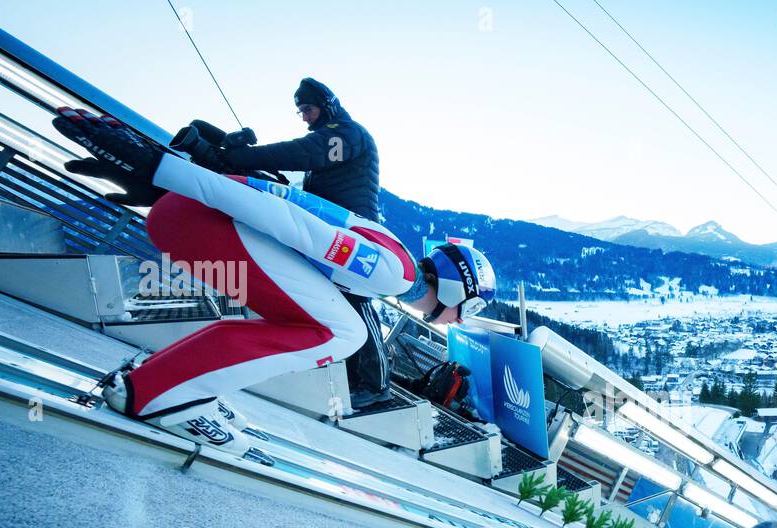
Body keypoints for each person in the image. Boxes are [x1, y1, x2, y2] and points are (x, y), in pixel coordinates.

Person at [52, 109, 494, 457]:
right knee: (344, 333)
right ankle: (157, 394)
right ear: (457, 290)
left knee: (319, 322)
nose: (456, 320)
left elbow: (291, 207)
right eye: (467, 311)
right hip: (200, 221)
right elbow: (291, 224)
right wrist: (163, 171)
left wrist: (172, 183)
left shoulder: (394, 253)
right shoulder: (392, 273)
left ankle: (179, 383)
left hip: (195, 214)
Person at [214, 78, 390, 409]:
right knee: (337, 299)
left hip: (353, 233)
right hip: (331, 230)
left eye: (307, 109)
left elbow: (305, 153)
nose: (304, 117)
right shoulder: (332, 137)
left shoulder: (345, 134)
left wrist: (246, 157)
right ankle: (350, 373)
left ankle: (376, 384)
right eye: (300, 112)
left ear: (327, 106)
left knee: (355, 298)